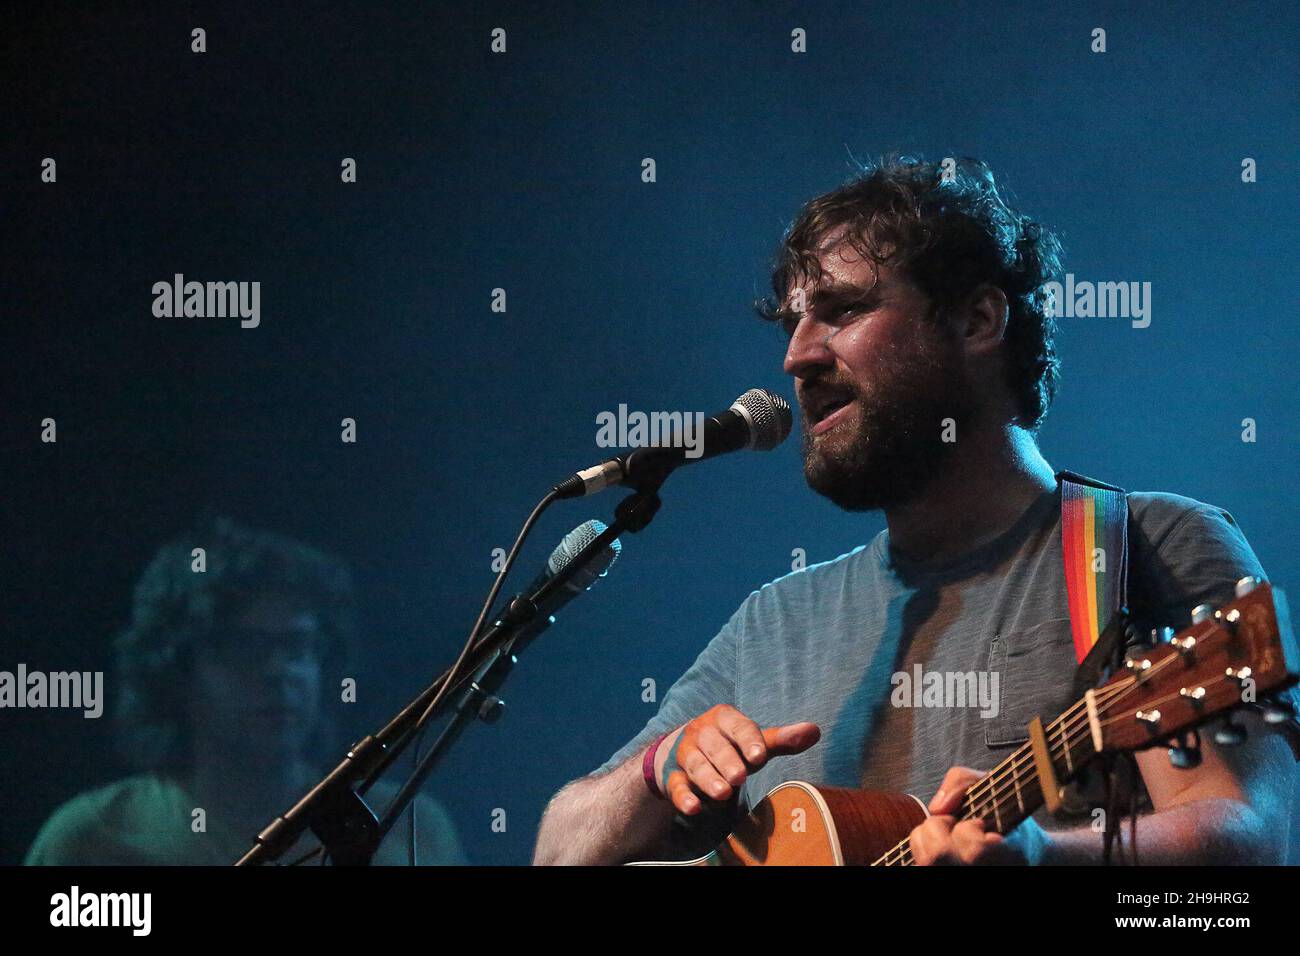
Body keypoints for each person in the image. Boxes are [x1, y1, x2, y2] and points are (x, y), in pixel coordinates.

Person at [533, 156, 1296, 865]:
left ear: (976, 323)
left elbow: (1246, 848)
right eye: (793, 322)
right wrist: (659, 765)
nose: (796, 358)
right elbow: (559, 845)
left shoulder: (1146, 546)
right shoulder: (775, 622)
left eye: (842, 309)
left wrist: (1040, 857)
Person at [25, 517, 466, 865]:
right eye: (242, 647)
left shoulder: (410, 825)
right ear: (176, 670)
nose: (277, 671)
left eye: (295, 646)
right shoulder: (95, 838)